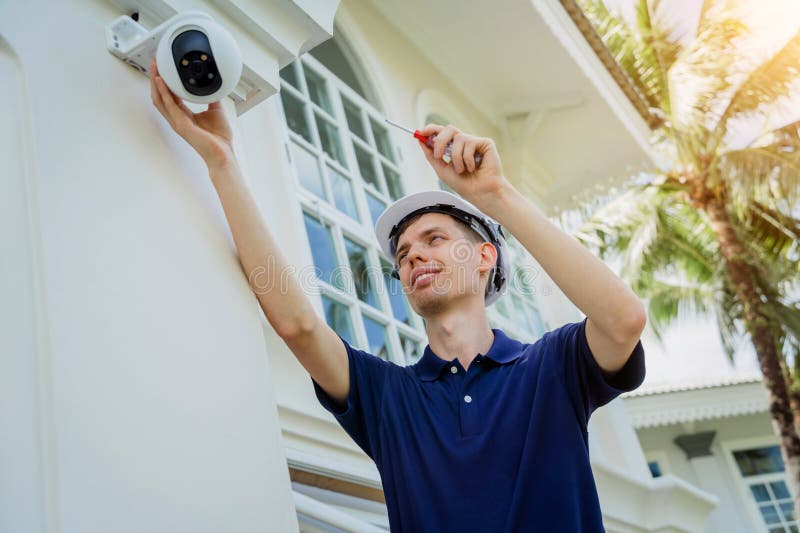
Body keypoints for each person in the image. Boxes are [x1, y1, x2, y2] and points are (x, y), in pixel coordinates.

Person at [149, 59, 647, 532]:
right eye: (403, 253)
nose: (412, 257)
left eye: (435, 239)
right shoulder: (387, 397)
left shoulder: (552, 368)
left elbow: (623, 319)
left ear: (484, 258)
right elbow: (297, 326)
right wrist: (222, 161)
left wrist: (494, 196)